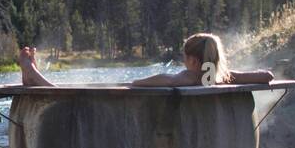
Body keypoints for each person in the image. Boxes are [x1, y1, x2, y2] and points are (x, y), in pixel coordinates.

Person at [17, 33, 274, 87]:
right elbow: (267, 76)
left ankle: (33, 75)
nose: (183, 62)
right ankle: (33, 76)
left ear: (194, 61)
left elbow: (140, 84)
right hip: (221, 77)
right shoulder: (221, 79)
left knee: (70, 93)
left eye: (184, 57)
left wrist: (132, 83)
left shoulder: (183, 79)